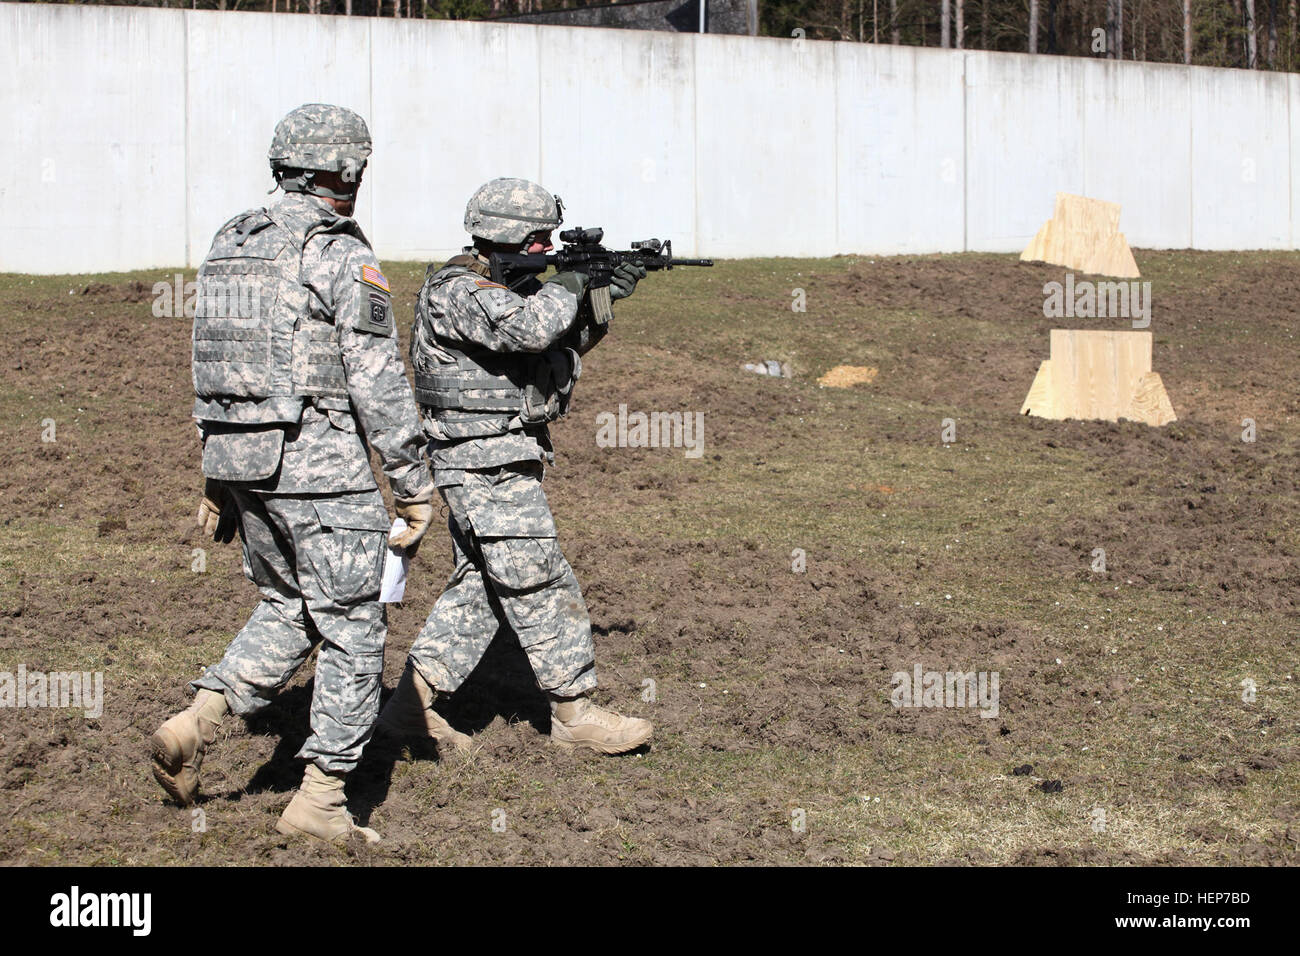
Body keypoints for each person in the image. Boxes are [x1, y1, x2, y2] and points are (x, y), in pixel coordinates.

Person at [148, 104, 435, 844]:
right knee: (352, 631)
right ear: (343, 171)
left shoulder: (230, 240)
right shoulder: (338, 252)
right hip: (321, 471)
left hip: (242, 462)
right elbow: (377, 378)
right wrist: (411, 481)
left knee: (288, 605)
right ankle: (321, 799)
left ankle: (196, 723)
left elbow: (212, 361)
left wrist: (215, 475)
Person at [377, 177, 651, 755]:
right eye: (537, 240)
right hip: (481, 462)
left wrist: (599, 302)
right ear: (505, 235)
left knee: (479, 588)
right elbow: (529, 328)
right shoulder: (459, 291)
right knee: (540, 580)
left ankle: (409, 709)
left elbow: (552, 349)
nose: (544, 251)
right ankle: (575, 715)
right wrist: (573, 280)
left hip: (498, 455)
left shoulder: (503, 290)